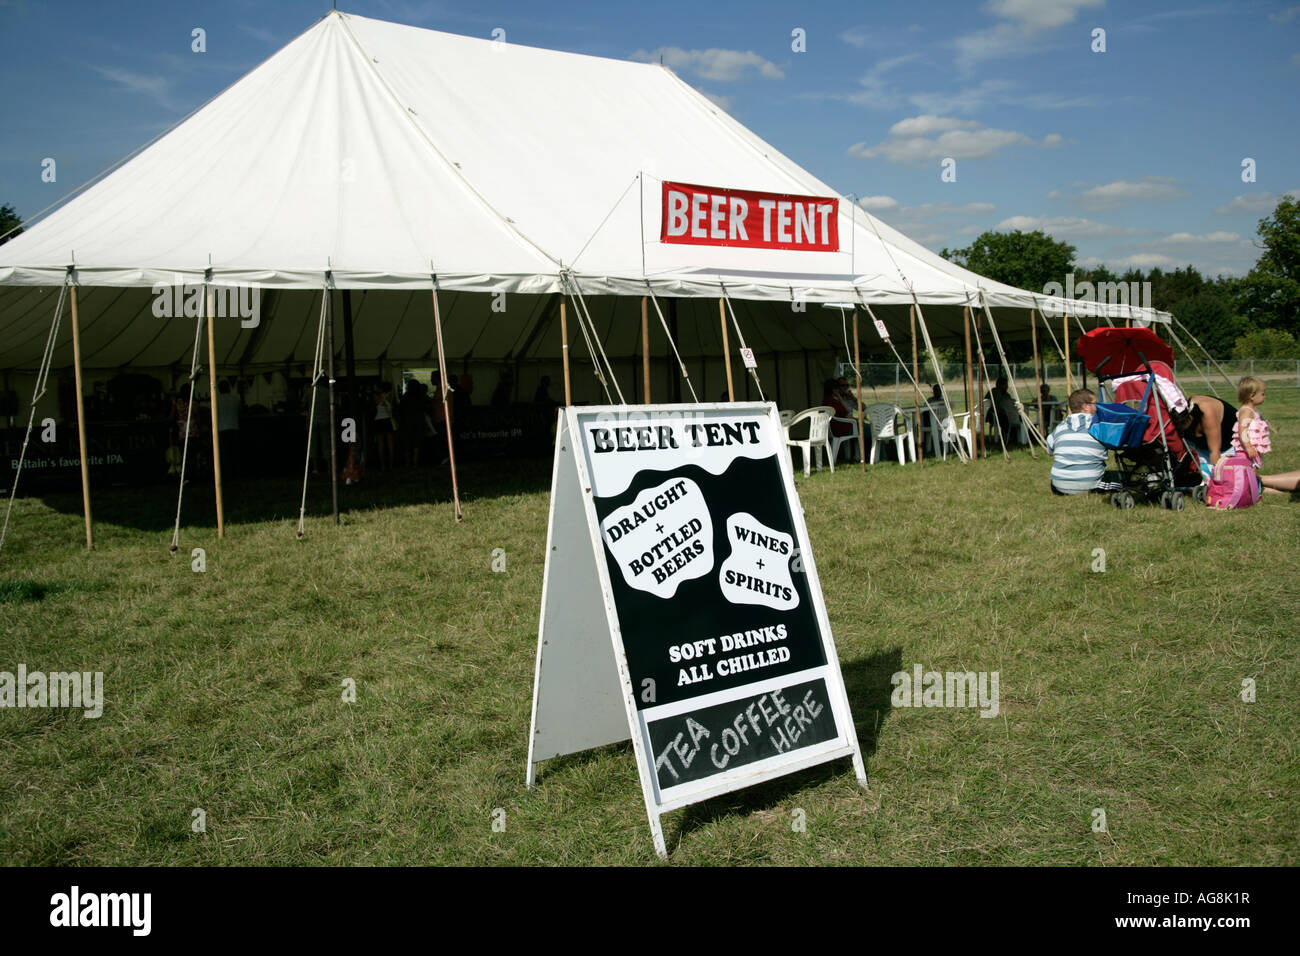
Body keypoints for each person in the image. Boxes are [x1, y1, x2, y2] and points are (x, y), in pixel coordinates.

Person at [1045, 389, 1108, 495]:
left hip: (1059, 486)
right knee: (1121, 479)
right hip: (1090, 484)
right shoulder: (1098, 426)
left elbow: (1050, 450)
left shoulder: (1059, 428)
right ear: (1086, 406)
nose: (1097, 406)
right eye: (1095, 403)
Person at [1186, 393, 1237, 466]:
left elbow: (1215, 452)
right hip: (1199, 448)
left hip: (1228, 445)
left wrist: (1216, 474)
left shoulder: (1208, 414)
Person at [216, 379, 241, 480]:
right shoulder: (236, 398)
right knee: (235, 453)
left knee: (225, 454)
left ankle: (227, 475)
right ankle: (236, 474)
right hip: (234, 427)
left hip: (222, 429)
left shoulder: (217, 400)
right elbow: (240, 412)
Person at [986, 375, 1021, 443]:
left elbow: (1010, 404)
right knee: (1005, 418)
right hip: (993, 415)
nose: (1007, 387)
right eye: (1005, 385)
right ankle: (1008, 437)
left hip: (1006, 414)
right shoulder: (993, 393)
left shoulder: (1006, 395)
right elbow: (995, 407)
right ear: (999, 385)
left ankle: (1018, 436)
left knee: (1019, 418)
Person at [372, 381, 395, 472]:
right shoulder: (390, 396)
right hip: (388, 420)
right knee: (390, 444)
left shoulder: (376, 396)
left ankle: (382, 465)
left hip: (378, 420)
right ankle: (391, 465)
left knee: (381, 444)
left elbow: (374, 405)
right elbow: (392, 407)